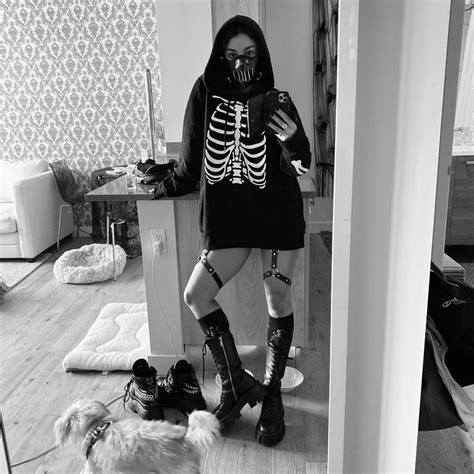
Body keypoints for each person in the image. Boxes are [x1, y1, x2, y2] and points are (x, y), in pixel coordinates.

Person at [153, 15, 312, 447]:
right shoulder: (205, 93)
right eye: (232, 55)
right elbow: (190, 162)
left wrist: (294, 141)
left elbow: (301, 166)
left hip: (276, 211)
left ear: (261, 55)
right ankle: (236, 383)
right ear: (220, 57)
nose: (241, 62)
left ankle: (272, 395)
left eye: (250, 54)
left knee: (276, 297)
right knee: (196, 294)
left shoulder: (276, 99)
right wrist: (162, 186)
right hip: (230, 217)